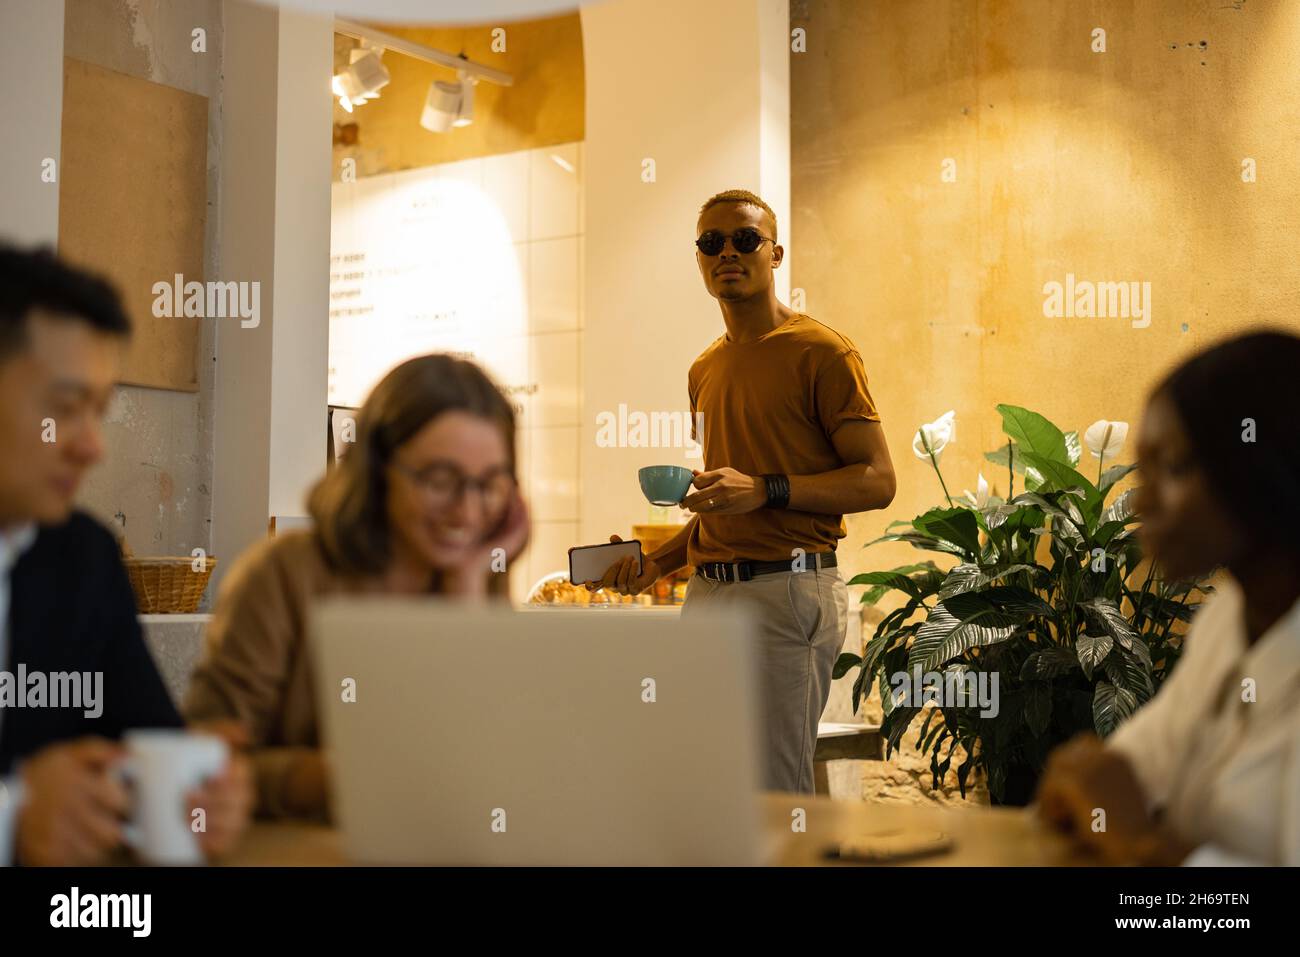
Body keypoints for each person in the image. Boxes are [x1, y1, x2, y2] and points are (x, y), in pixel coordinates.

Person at [591, 189, 896, 793]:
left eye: (744, 239)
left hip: (789, 590)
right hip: (708, 592)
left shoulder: (824, 352)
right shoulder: (703, 370)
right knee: (703, 785)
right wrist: (653, 564)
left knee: (774, 794)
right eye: (711, 242)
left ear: (775, 253)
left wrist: (766, 489)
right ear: (699, 260)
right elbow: (719, 511)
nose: (727, 251)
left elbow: (878, 480)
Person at [184, 354, 530, 820]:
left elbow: (492, 761)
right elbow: (204, 764)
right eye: (440, 480)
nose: (467, 514)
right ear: (377, 470)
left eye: (489, 484)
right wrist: (331, 780)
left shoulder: (473, 577)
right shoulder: (283, 574)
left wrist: (468, 591)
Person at [0, 244, 250, 865]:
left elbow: (150, 746)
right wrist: (13, 820)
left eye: (99, 412)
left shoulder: (81, 557)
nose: (92, 447)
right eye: (63, 409)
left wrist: (201, 795)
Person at [1037, 330, 1300, 866]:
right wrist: (1089, 782)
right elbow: (1132, 768)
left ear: (1264, 467)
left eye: (1176, 467)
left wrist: (1142, 844)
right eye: (1143, 468)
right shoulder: (1230, 619)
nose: (1143, 500)